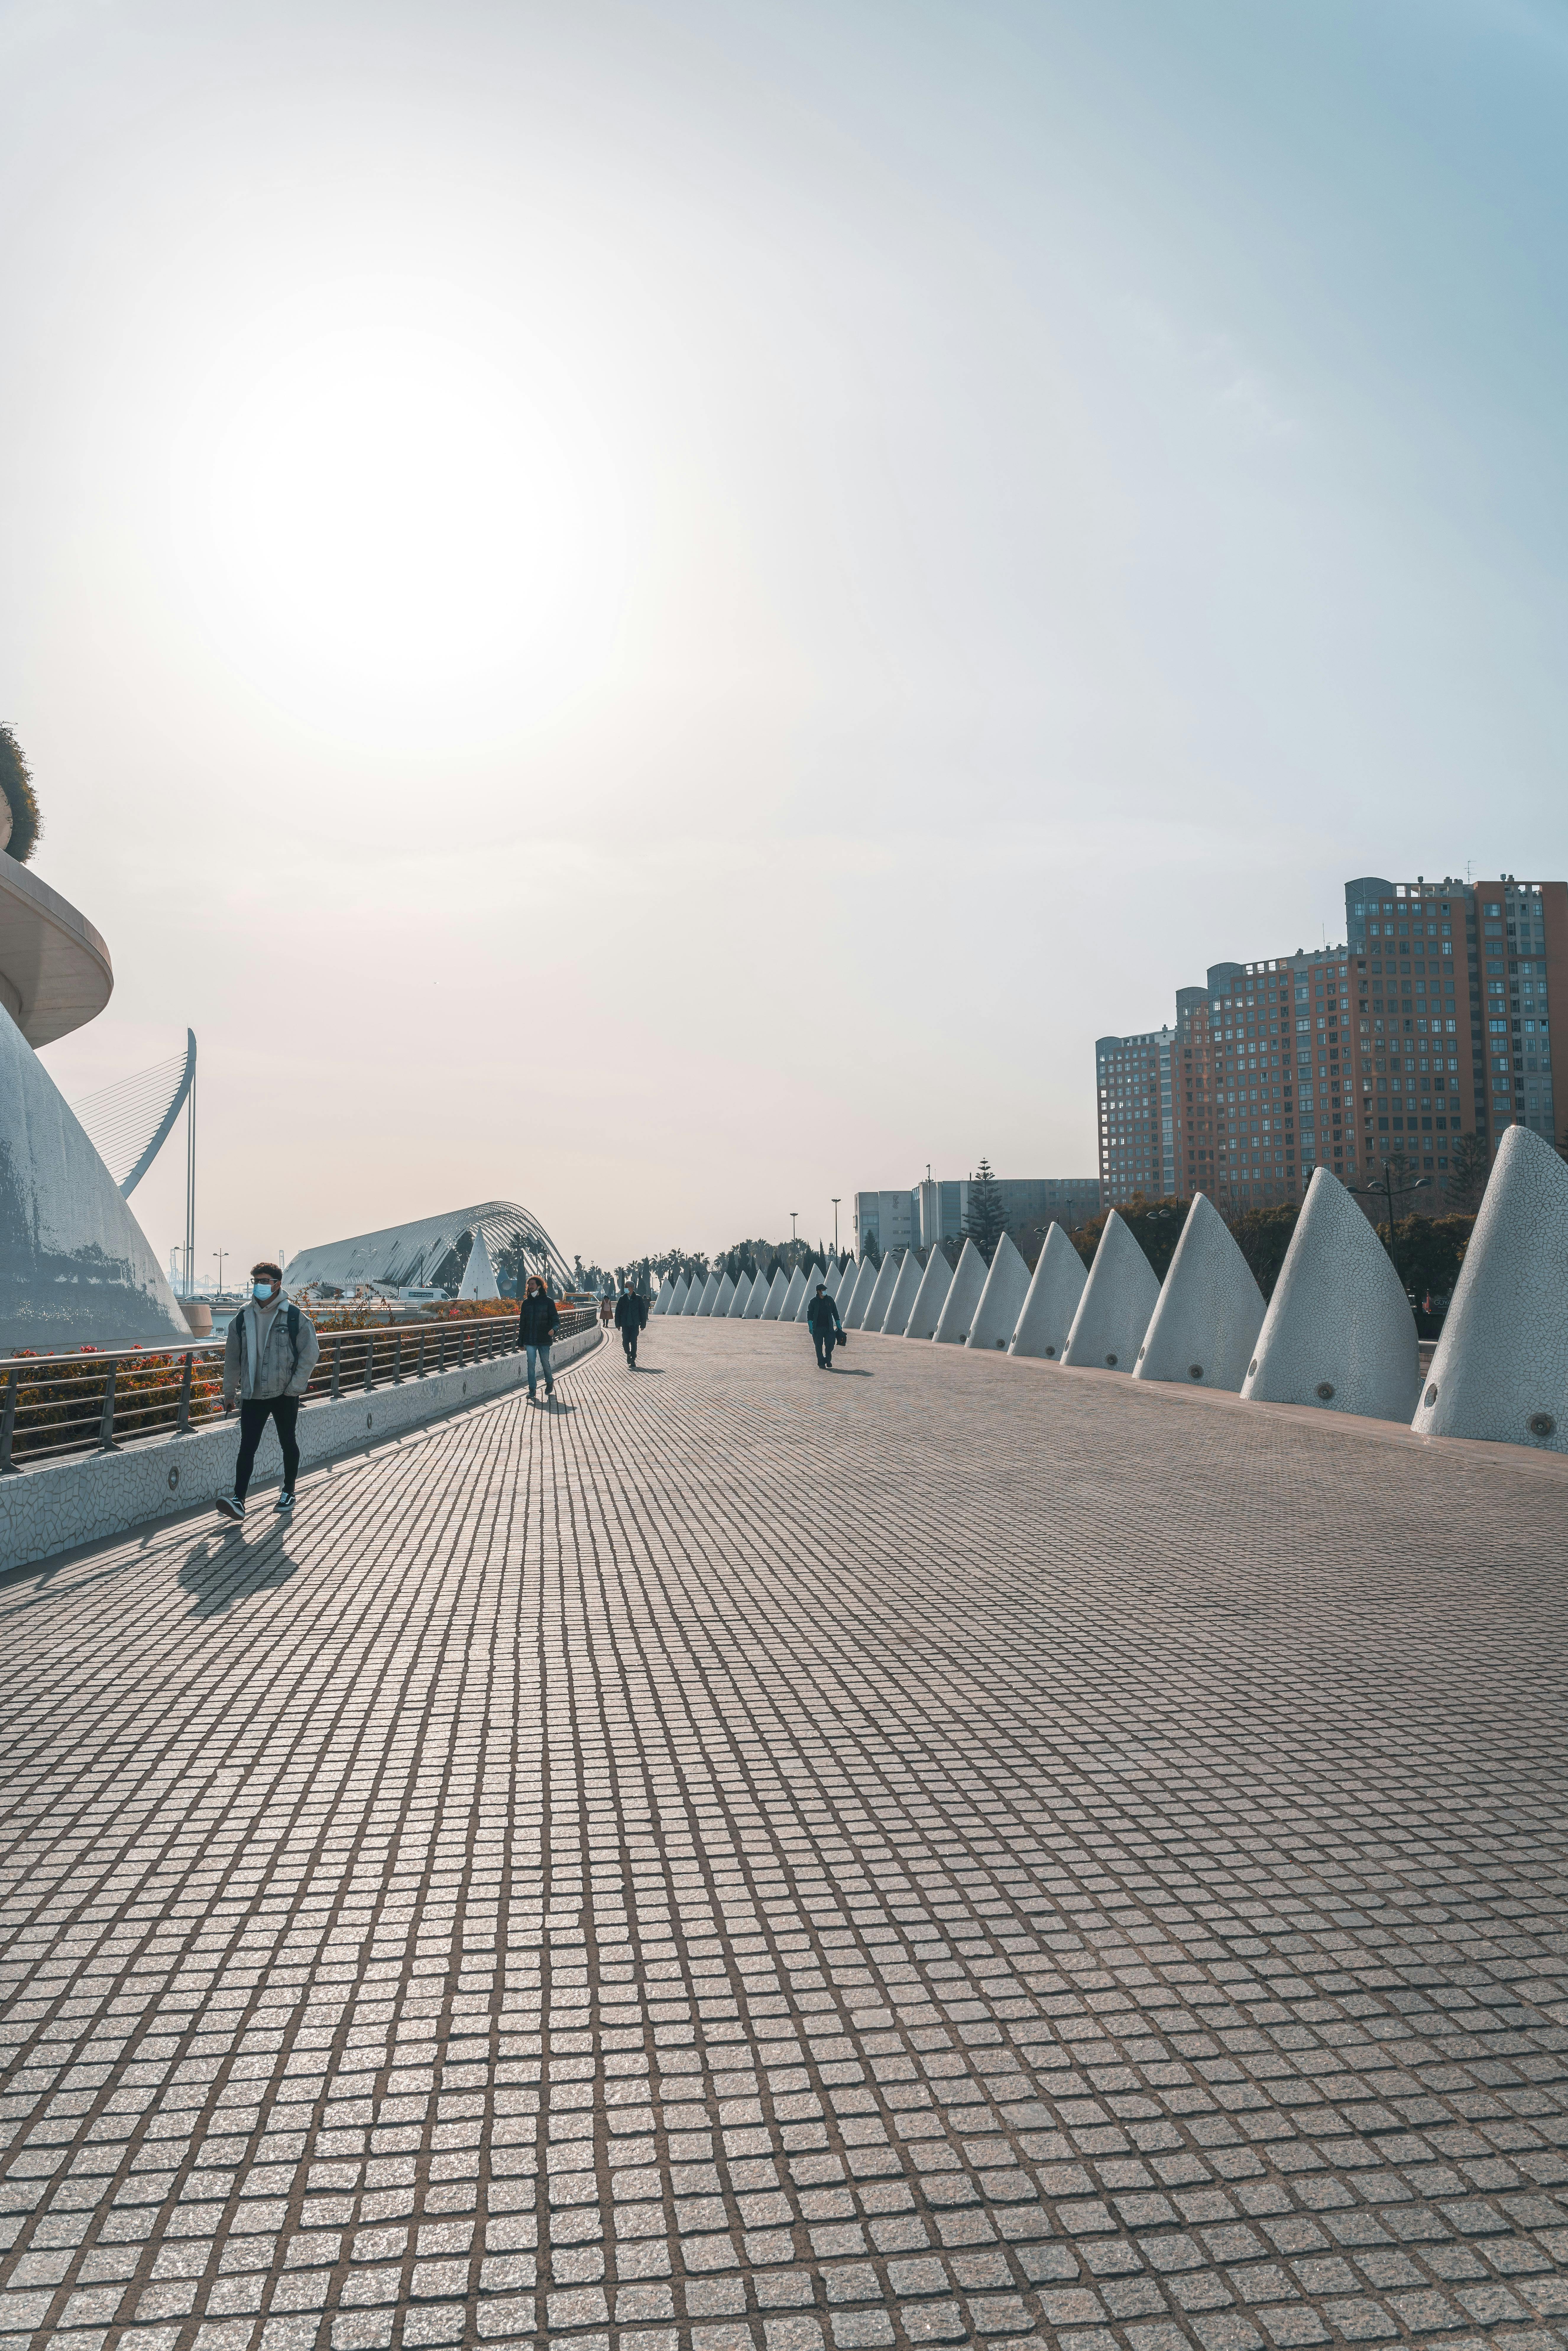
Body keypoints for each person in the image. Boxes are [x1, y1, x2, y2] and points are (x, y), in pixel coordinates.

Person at [216, 1262, 321, 1522]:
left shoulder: (294, 1316)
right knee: (247, 1447)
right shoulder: (242, 1317)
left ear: (277, 1284)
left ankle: (288, 1492)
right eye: (255, 1281)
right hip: (252, 1393)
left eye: (264, 1281)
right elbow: (232, 1359)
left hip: (285, 1392)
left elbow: (311, 1353)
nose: (259, 1286)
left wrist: (295, 1388)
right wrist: (229, 1393)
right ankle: (239, 1500)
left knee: (288, 1441)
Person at [518, 1273, 560, 1400]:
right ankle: (532, 1390)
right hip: (530, 1340)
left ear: (539, 1286)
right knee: (531, 1365)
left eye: (533, 1284)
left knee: (545, 1363)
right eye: (529, 1285)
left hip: (544, 1339)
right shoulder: (526, 1303)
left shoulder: (548, 1301)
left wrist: (554, 1329)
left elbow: (556, 1320)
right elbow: (523, 1323)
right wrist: (521, 1341)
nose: (530, 1287)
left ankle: (549, 1381)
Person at [806, 1280, 844, 1370]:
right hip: (817, 1328)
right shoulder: (813, 1301)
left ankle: (828, 1360)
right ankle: (821, 1363)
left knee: (831, 1345)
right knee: (819, 1346)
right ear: (819, 1291)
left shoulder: (830, 1300)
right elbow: (809, 1314)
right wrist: (810, 1326)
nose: (825, 1291)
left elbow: (835, 1311)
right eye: (823, 1290)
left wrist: (838, 1323)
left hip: (829, 1328)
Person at [613, 1281, 648, 1367]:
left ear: (632, 1288)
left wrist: (643, 1325)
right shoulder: (622, 1298)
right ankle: (628, 1354)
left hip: (635, 1325)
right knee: (625, 1342)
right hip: (625, 1325)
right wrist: (618, 1324)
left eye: (626, 1287)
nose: (625, 1288)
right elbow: (618, 1312)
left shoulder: (638, 1299)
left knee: (634, 1342)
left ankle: (633, 1359)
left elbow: (642, 1312)